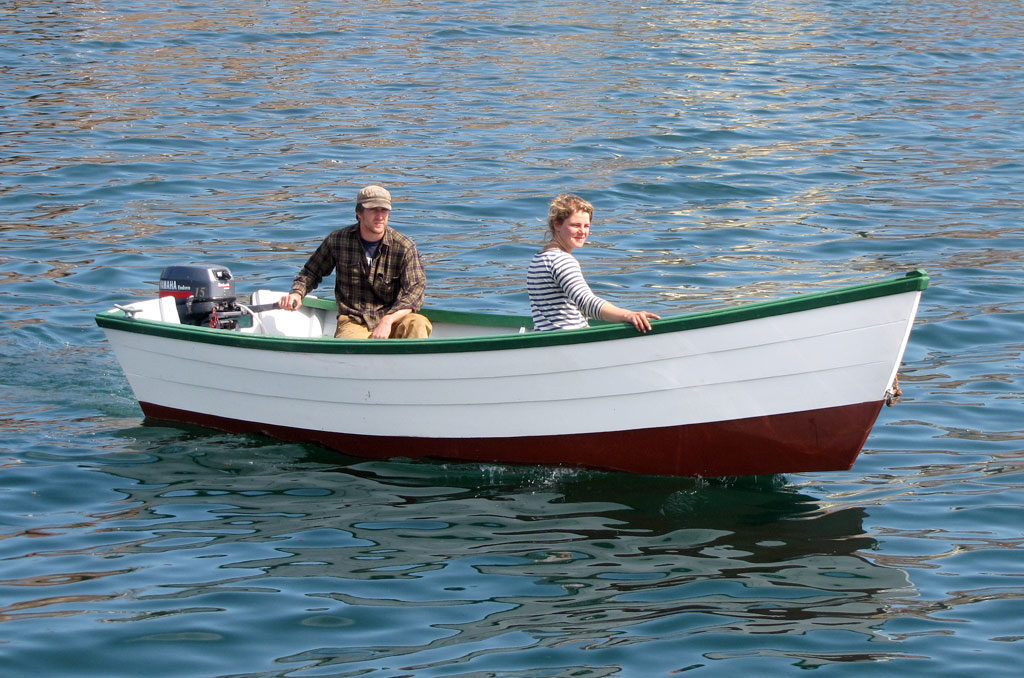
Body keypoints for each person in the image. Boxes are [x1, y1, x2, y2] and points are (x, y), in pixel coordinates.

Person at [278, 185, 432, 339]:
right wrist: (297, 293)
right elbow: (311, 272)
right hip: (354, 319)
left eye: (384, 210)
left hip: (394, 317)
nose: (380, 216)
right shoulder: (337, 240)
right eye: (373, 210)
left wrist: (388, 320)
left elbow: (415, 291)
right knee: (351, 344)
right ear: (359, 212)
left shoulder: (405, 247)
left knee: (418, 323)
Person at [527, 193, 660, 333]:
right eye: (575, 225)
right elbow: (587, 303)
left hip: (546, 335)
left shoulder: (539, 257)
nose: (582, 232)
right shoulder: (562, 260)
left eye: (586, 226)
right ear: (557, 224)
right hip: (570, 337)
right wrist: (628, 315)